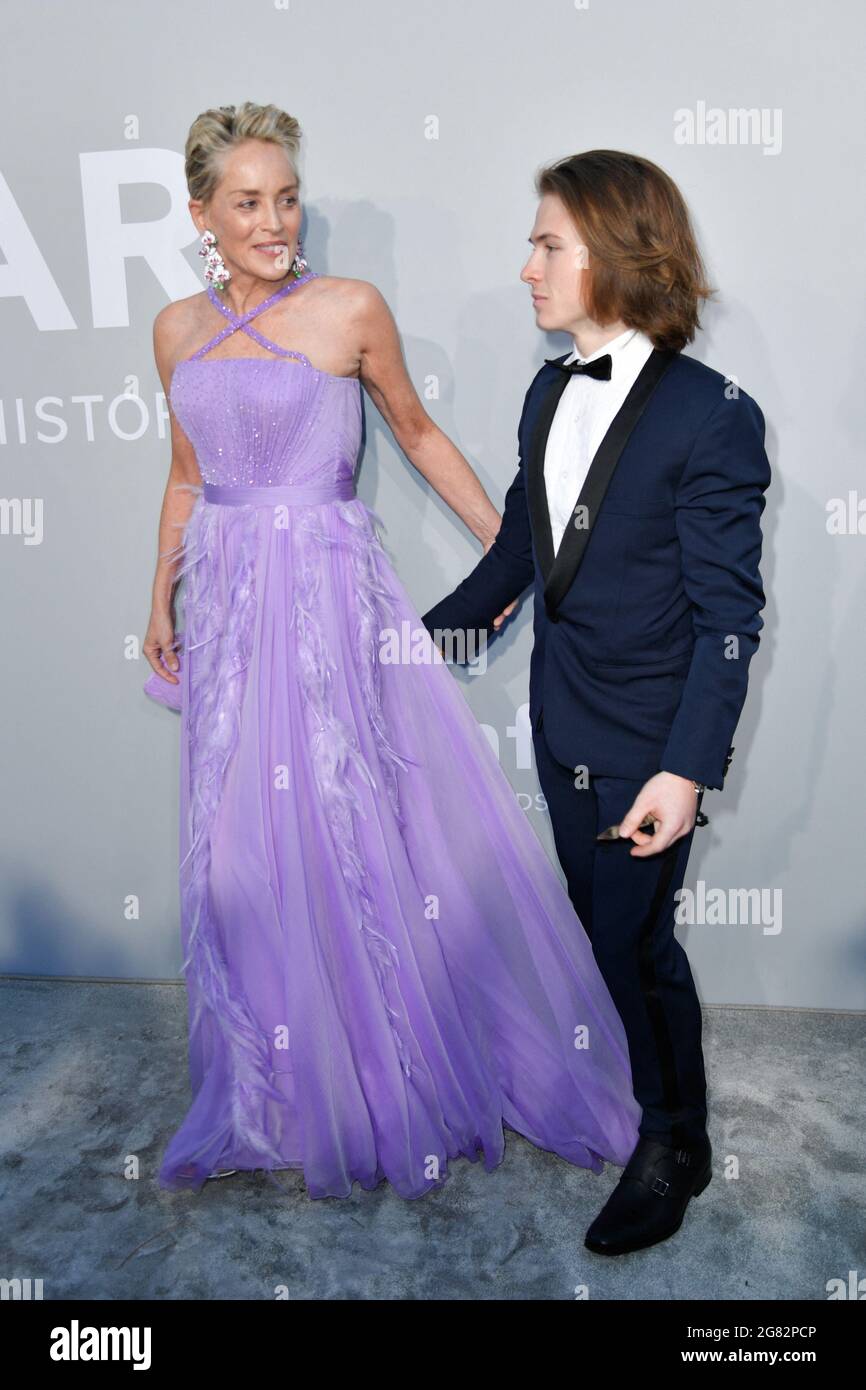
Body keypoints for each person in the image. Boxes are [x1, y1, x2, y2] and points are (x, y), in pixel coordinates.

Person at [142, 103, 642, 1201]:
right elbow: (185, 473)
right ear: (200, 216)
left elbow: (414, 431)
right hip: (225, 601)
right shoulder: (176, 328)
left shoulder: (347, 308)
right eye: (247, 202)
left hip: (323, 598)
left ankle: (378, 1080)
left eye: (285, 197)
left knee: (345, 836)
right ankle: (268, 1088)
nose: (274, 220)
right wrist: (159, 596)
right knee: (233, 857)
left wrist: (523, 555)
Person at [422, 150, 771, 1254]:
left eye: (546, 244)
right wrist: (406, 641)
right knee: (606, 938)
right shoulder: (543, 387)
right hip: (562, 722)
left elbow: (727, 617)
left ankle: (674, 1142)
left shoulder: (712, 416)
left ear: (616, 256)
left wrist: (683, 769)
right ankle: (662, 1113)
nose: (524, 265)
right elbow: (520, 558)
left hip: (649, 748)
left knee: (629, 944)